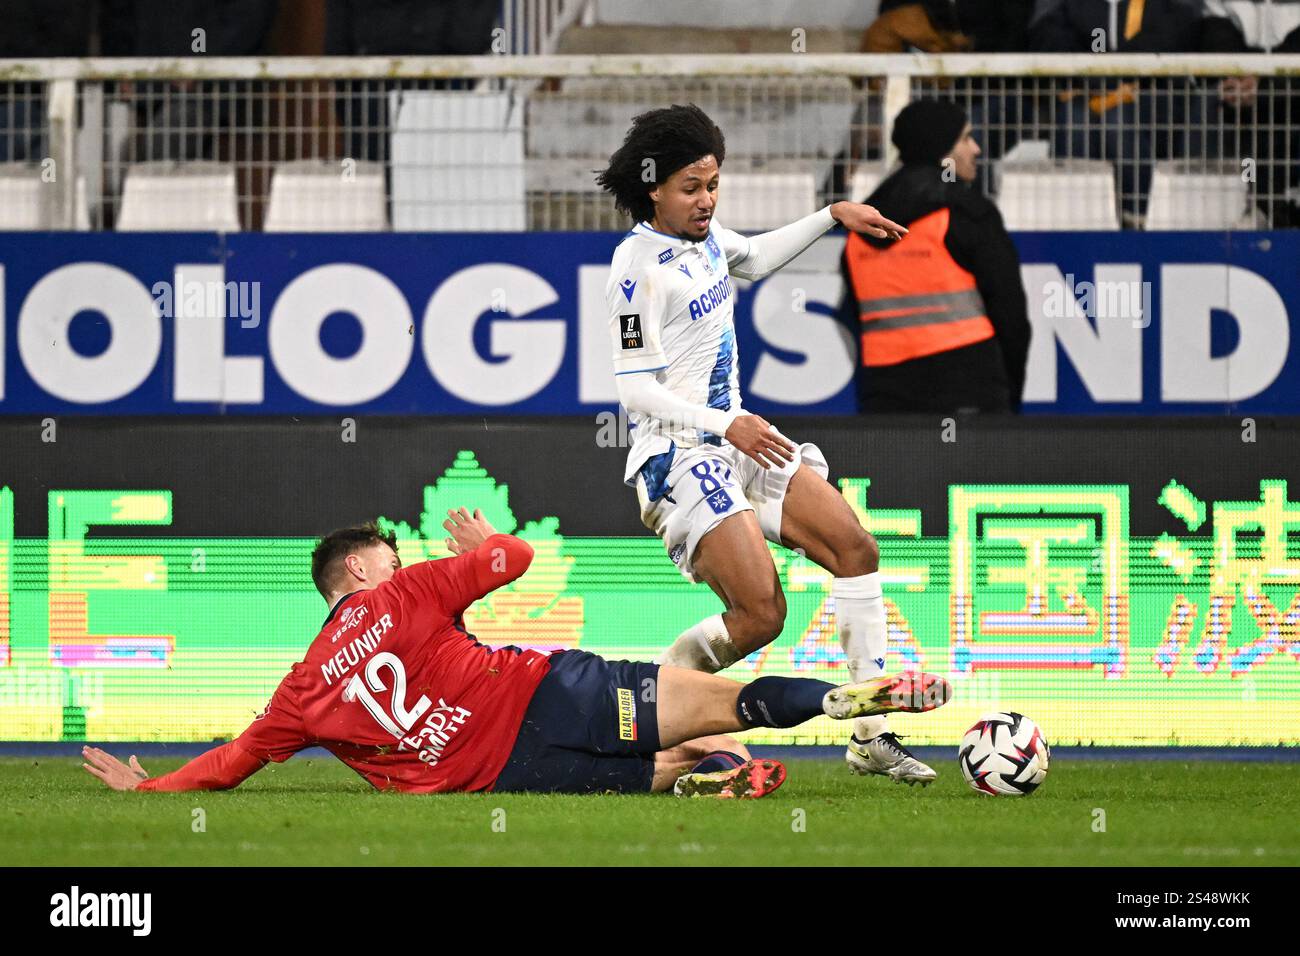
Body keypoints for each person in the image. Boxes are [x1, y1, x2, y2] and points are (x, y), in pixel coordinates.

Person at [83, 511, 952, 798]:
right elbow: (516, 560)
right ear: (358, 569)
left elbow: (235, 762)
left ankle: (710, 774)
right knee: (732, 702)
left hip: (506, 776)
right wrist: (483, 537)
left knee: (655, 768)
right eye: (384, 551)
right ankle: (841, 701)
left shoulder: (301, 690)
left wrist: (150, 787)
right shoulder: (404, 590)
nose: (396, 555)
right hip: (546, 695)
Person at [594, 104, 947, 786]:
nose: (706, 199)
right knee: (761, 617)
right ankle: (649, 706)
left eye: (713, 183)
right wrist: (724, 424)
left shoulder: (702, 241)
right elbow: (635, 390)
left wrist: (830, 216)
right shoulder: (635, 269)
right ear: (654, 190)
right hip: (680, 457)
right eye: (692, 187)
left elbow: (750, 256)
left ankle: (873, 736)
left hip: (735, 440)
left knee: (855, 547)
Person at [837, 99, 1030, 413]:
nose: (976, 149)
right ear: (944, 148)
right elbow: (1011, 315)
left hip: (885, 398)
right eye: (966, 138)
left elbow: (851, 319)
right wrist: (1011, 397)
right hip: (971, 390)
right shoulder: (967, 212)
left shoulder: (859, 226)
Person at [1201, 0, 1300, 227]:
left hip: (1289, 91)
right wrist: (1237, 76)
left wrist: (1264, 86)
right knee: (1215, 111)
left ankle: (1273, 207)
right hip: (1239, 95)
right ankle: (1254, 205)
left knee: (1275, 120)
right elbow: (1215, 30)